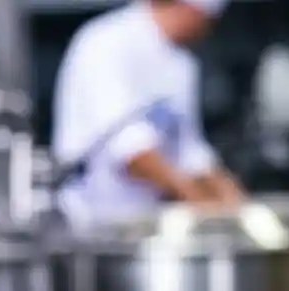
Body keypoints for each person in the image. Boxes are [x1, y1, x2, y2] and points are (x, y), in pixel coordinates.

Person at [51, 0, 245, 228]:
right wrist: (194, 196)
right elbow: (126, 150)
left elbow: (188, 149)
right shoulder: (105, 42)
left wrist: (230, 194)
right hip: (89, 223)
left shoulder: (182, 64)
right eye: (208, 21)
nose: (207, 31)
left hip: (146, 223)